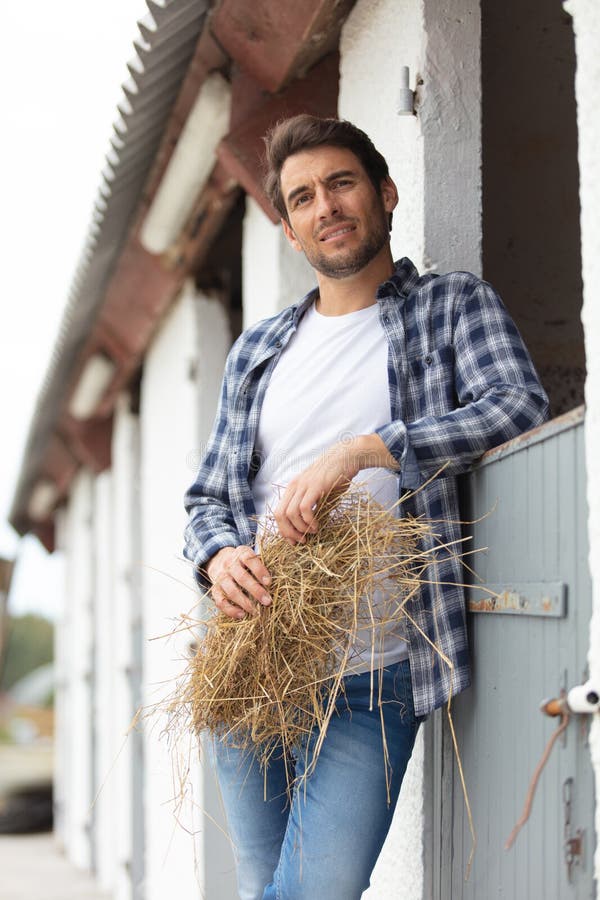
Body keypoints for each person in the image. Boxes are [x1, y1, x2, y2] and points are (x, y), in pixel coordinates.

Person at [183, 114, 549, 899]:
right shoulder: (258, 350)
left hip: (375, 675)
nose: (327, 207)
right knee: (261, 887)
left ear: (383, 192)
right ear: (289, 229)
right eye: (303, 197)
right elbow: (210, 496)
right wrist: (219, 558)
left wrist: (366, 449)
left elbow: (517, 405)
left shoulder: (449, 306)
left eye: (341, 183)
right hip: (251, 663)